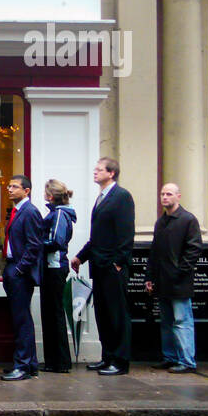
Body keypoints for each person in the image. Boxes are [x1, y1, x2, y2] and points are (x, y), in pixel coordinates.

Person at [71, 157, 136, 376]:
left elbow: (126, 234)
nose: (95, 172)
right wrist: (81, 257)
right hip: (98, 266)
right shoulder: (101, 198)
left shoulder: (122, 197)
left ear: (112, 173)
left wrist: (119, 262)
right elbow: (97, 236)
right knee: (103, 314)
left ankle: (120, 361)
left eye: (99, 170)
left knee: (117, 314)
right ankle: (107, 356)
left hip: (112, 267)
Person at [147, 183, 202, 373]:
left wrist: (179, 271)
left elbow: (194, 249)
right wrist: (150, 276)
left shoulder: (188, 220)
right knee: (167, 322)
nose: (164, 197)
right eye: (162, 194)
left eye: (169, 194)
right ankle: (170, 357)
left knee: (182, 321)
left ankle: (187, 361)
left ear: (179, 196)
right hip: (162, 281)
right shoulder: (160, 222)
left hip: (179, 282)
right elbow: (155, 251)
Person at [0, 175, 44, 381]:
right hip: (12, 268)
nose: (9, 189)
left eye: (14, 187)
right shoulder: (18, 211)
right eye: (9, 186)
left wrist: (20, 269)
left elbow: (34, 244)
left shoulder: (30, 212)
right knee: (20, 318)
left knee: (21, 319)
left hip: (20, 272)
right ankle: (30, 364)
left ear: (26, 191)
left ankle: (23, 365)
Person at [40, 179, 77, 373]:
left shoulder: (59, 214)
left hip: (54, 267)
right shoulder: (59, 213)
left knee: (54, 314)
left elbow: (55, 241)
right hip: (52, 266)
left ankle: (60, 361)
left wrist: (35, 242)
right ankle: (55, 361)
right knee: (52, 314)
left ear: (50, 195)